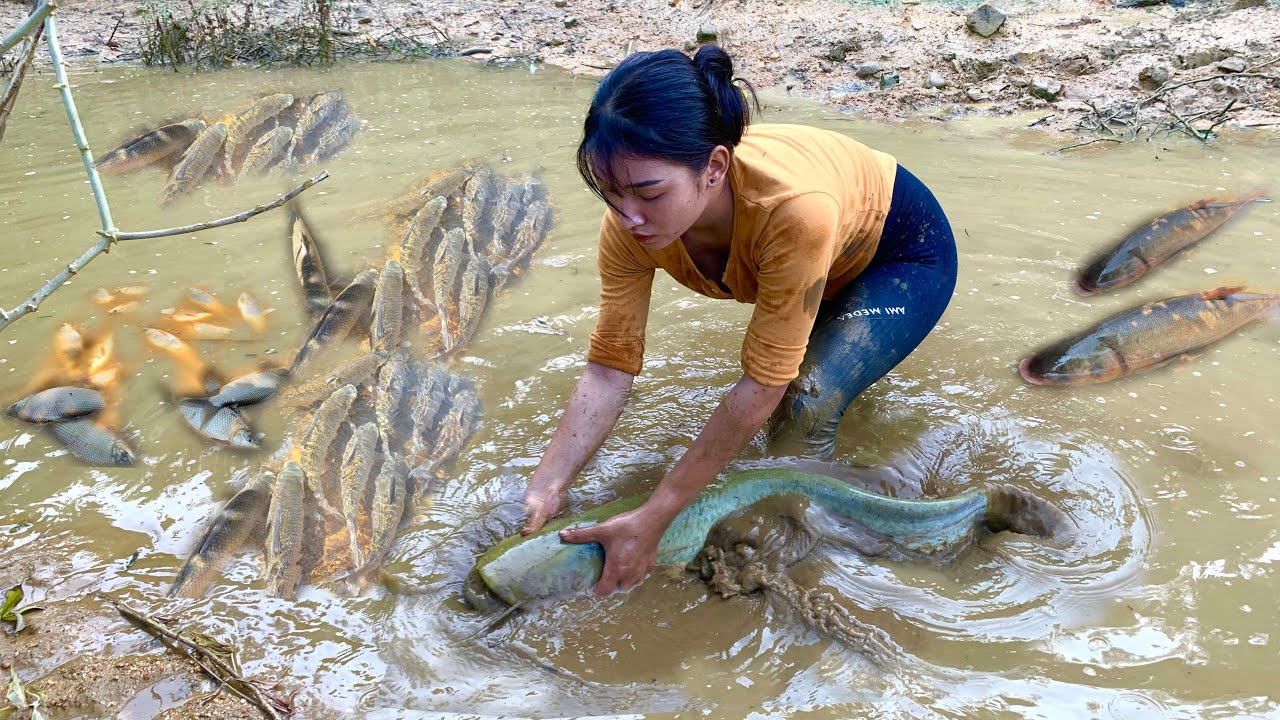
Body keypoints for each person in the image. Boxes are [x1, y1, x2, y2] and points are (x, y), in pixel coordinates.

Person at [520, 45, 958, 596]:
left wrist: (656, 515)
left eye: (649, 193)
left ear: (714, 168)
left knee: (805, 403)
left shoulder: (793, 213)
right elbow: (610, 368)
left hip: (900, 258)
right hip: (810, 261)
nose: (628, 216)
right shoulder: (628, 229)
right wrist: (549, 482)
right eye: (610, 193)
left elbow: (762, 386)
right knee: (794, 396)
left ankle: (844, 535)